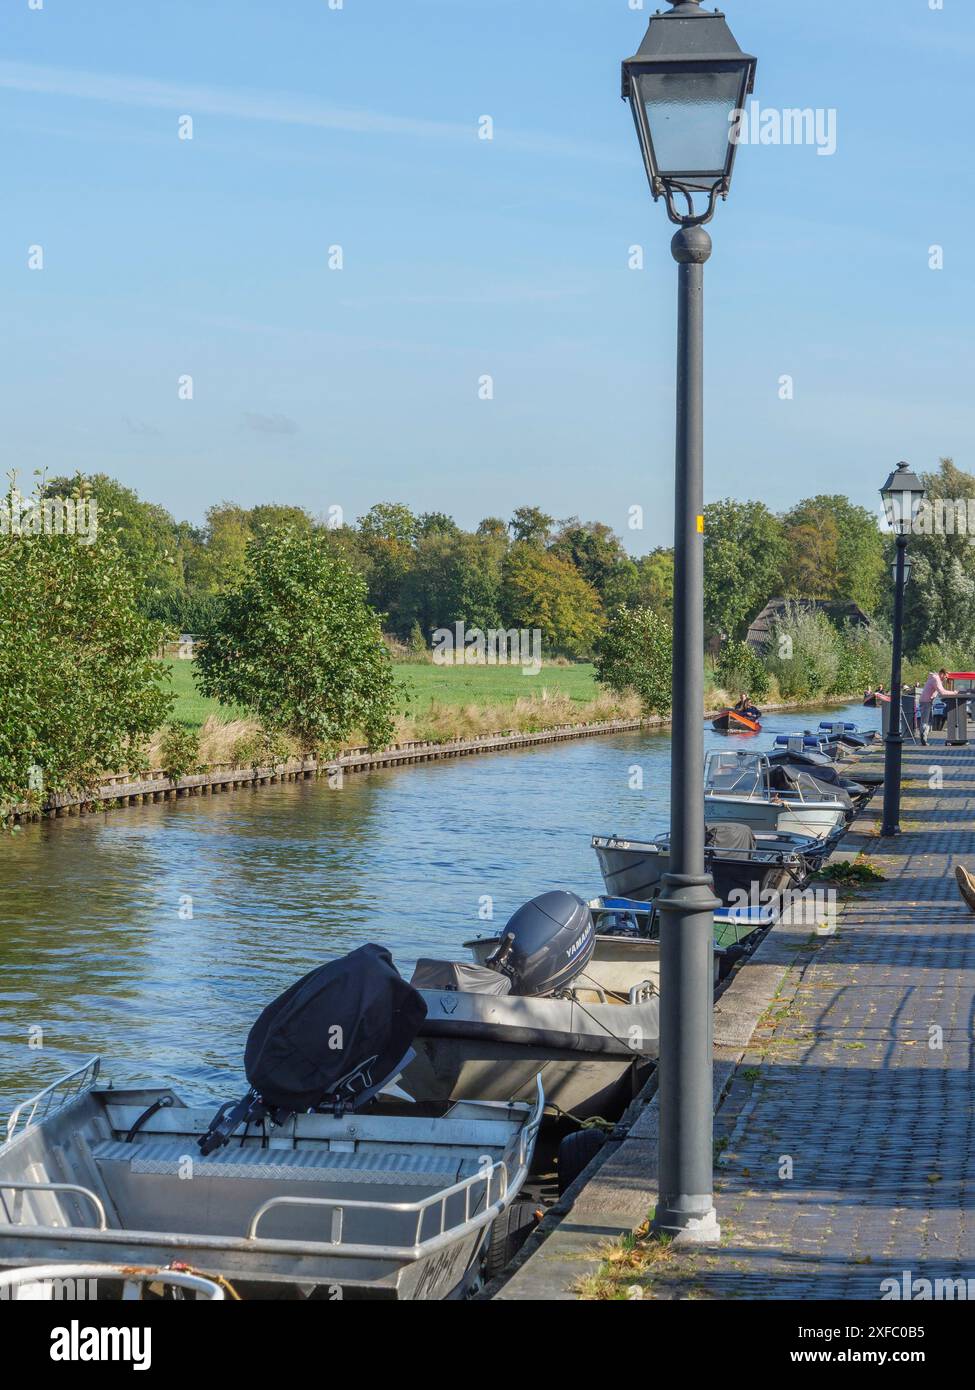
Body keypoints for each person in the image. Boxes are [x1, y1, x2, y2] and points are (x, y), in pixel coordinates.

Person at [919, 669, 949, 745]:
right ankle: (923, 736)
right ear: (942, 674)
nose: (946, 678)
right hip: (926, 701)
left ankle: (924, 737)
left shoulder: (935, 678)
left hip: (927, 701)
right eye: (945, 676)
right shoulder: (936, 679)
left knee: (928, 720)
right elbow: (942, 691)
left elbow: (938, 691)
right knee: (926, 721)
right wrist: (954, 692)